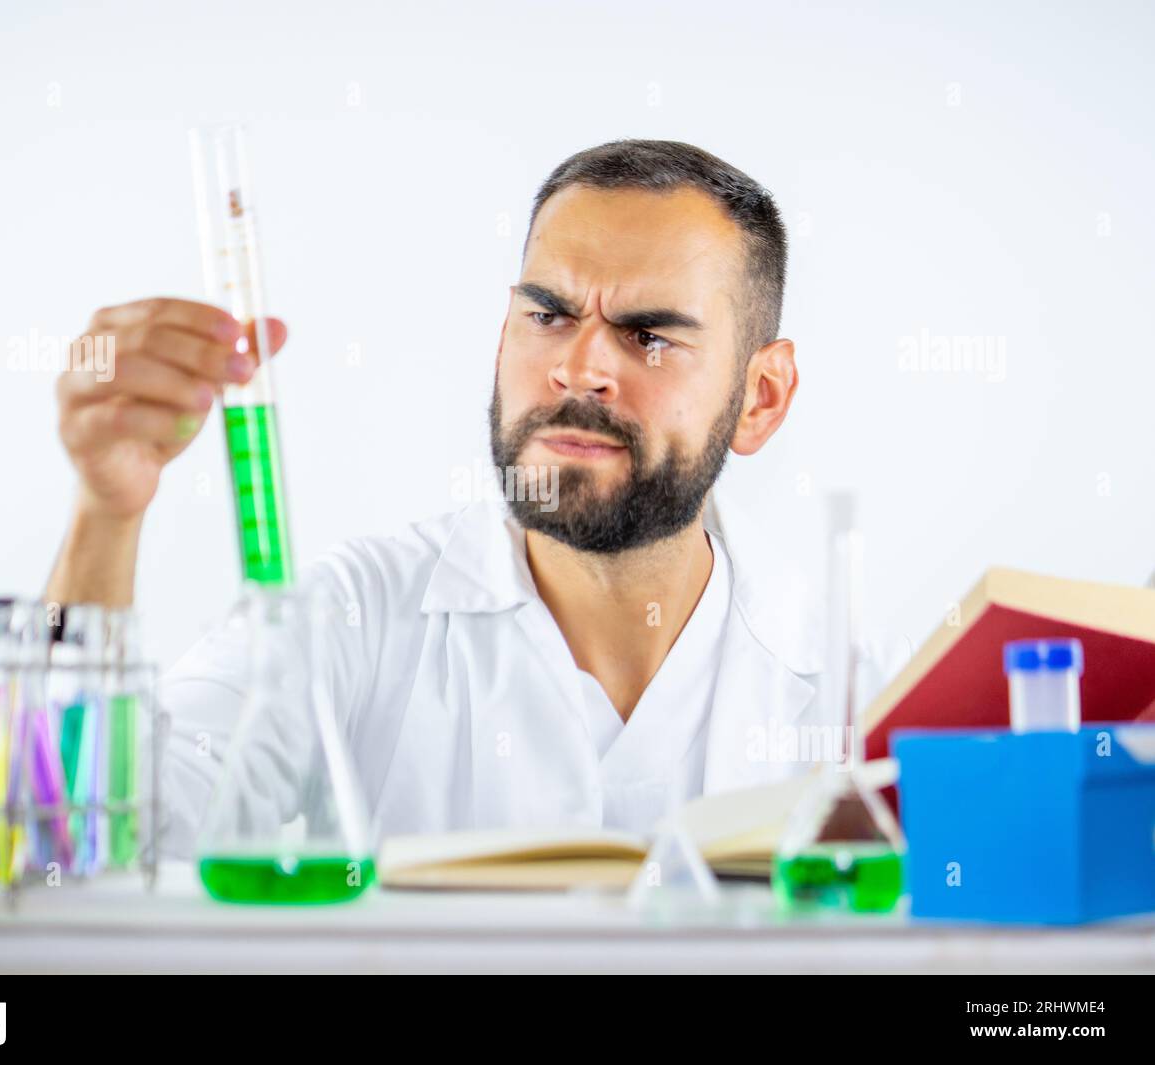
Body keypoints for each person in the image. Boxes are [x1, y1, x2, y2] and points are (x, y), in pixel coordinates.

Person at [48, 139, 855, 855]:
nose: (579, 370)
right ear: (506, 335)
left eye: (648, 335)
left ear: (762, 398)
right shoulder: (355, 617)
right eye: (548, 314)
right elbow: (89, 838)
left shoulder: (850, 686)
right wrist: (105, 513)